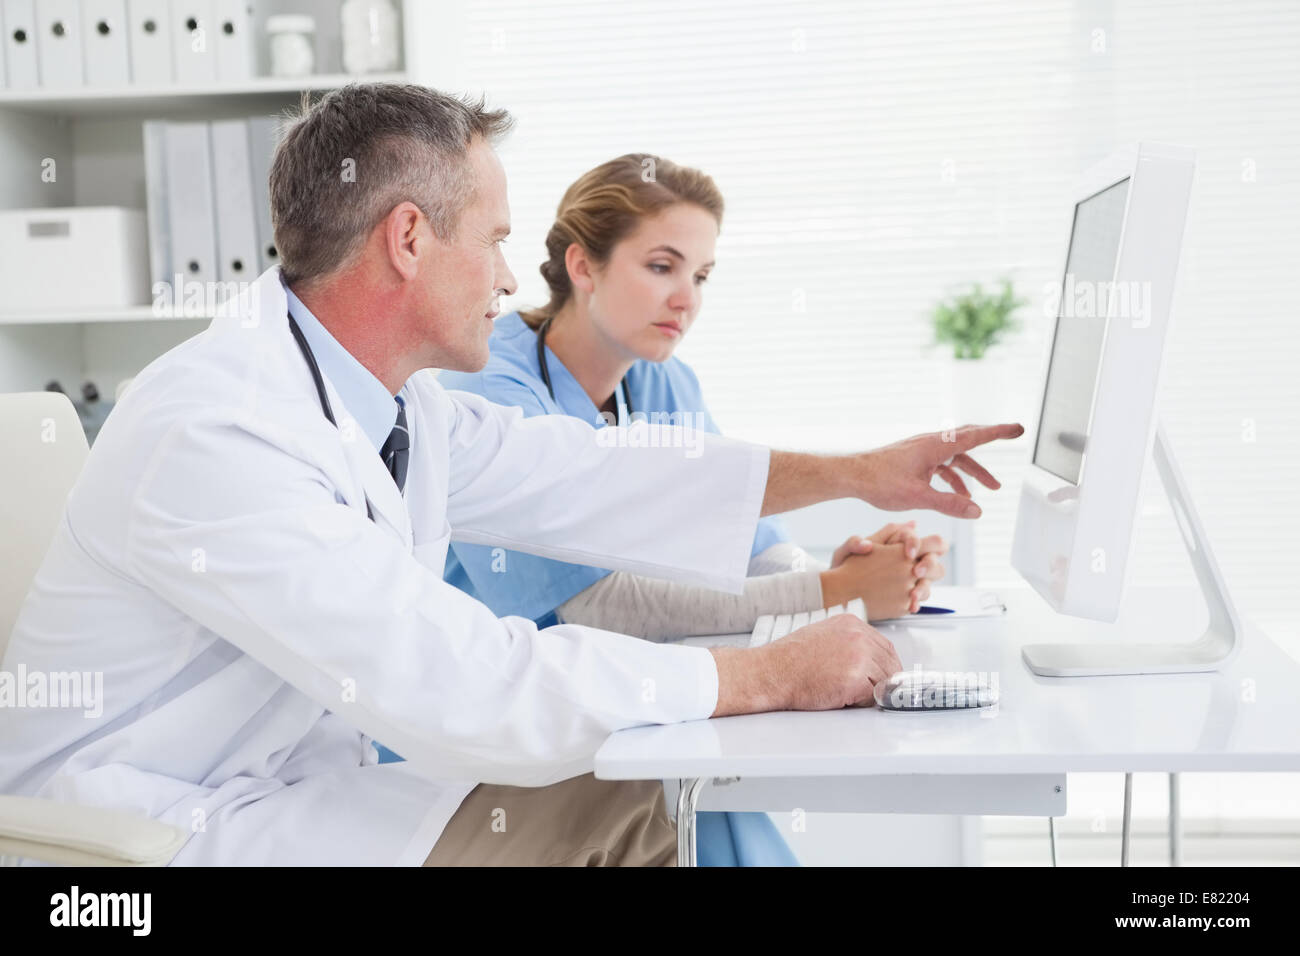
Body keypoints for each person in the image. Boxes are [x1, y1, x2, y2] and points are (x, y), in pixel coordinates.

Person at [0, 83, 1022, 866]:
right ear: (408, 238)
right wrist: (758, 676)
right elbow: (460, 677)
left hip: (290, 785)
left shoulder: (399, 403)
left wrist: (865, 470)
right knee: (627, 790)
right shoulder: (217, 430)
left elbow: (592, 473)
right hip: (137, 834)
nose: (503, 274)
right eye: (491, 238)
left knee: (635, 782)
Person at [436, 154, 948, 865]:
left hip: (612, 703)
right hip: (495, 730)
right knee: (696, 794)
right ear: (582, 267)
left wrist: (833, 572)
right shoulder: (494, 386)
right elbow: (595, 606)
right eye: (662, 267)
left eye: (701, 276)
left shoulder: (663, 382)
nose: (687, 299)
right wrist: (831, 595)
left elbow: (749, 533)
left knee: (713, 794)